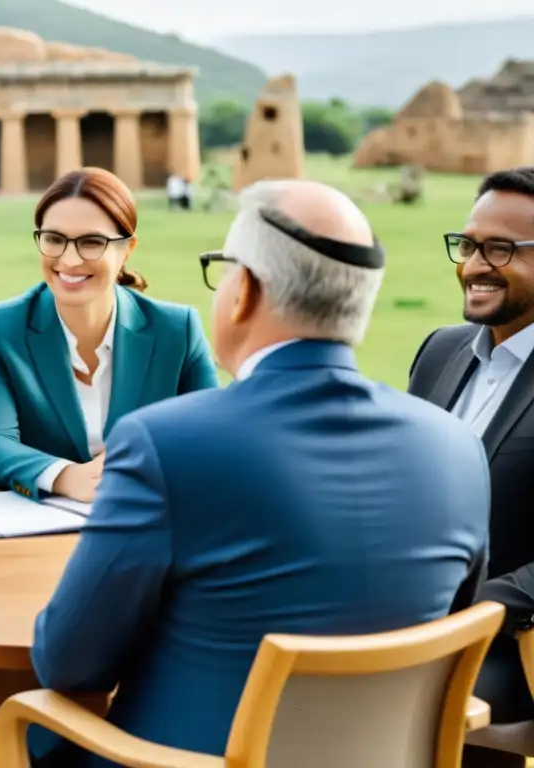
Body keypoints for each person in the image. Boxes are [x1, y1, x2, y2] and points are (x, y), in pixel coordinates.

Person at [29, 179, 490, 767]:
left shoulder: (165, 444)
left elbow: (68, 662)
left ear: (243, 289)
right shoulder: (457, 449)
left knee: (33, 731)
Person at [0, 167, 218, 503]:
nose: (69, 260)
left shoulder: (177, 329)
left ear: (127, 249)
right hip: (38, 535)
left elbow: (213, 439)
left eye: (91, 242)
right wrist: (68, 477)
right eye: (54, 239)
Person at [407, 166, 534, 768]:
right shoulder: (439, 349)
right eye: (468, 244)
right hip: (389, 615)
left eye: (501, 249)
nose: (475, 264)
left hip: (499, 646)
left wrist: (482, 608)